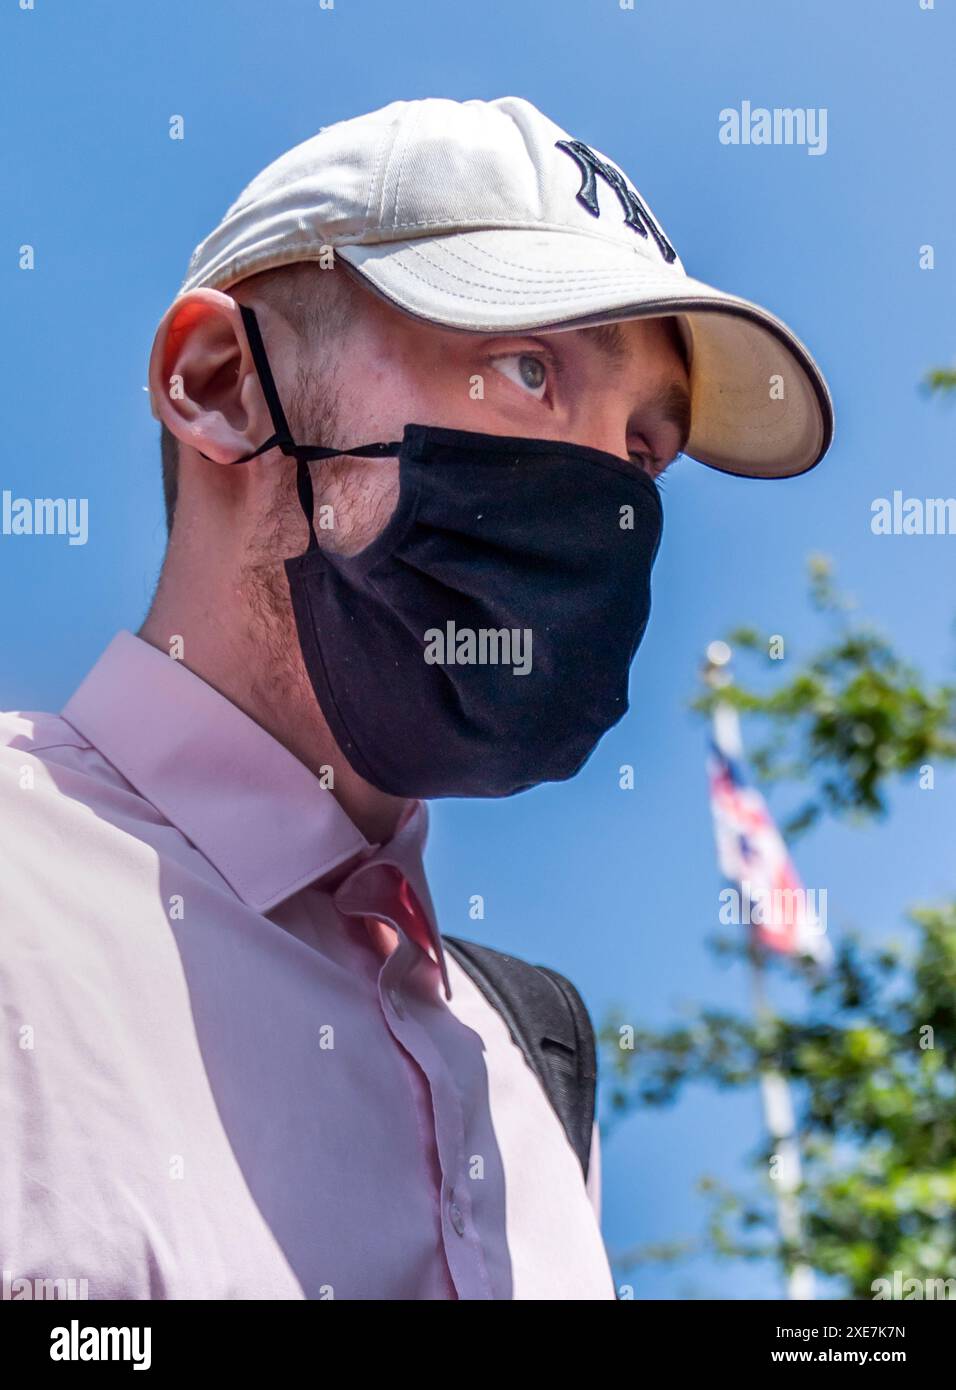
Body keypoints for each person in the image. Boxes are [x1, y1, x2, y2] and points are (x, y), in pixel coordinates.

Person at [0, 95, 833, 1300]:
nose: (604, 495)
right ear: (222, 381)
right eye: (528, 369)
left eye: (643, 451)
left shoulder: (533, 1069)